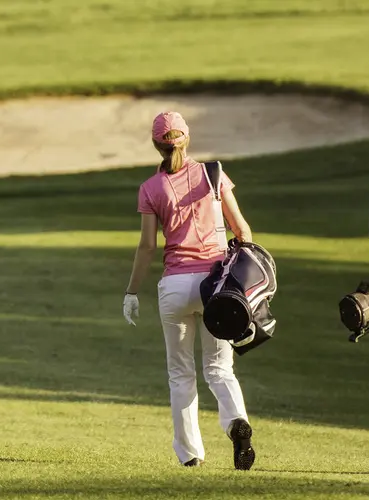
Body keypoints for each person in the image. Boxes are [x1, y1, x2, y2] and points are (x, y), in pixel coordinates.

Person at [122, 111, 257, 470]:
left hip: (175, 288)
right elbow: (241, 230)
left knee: (181, 374)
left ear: (156, 145)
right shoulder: (212, 174)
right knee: (220, 369)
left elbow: (148, 246)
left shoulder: (150, 188)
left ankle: (191, 455)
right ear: (187, 138)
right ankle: (236, 422)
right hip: (217, 286)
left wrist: (131, 292)